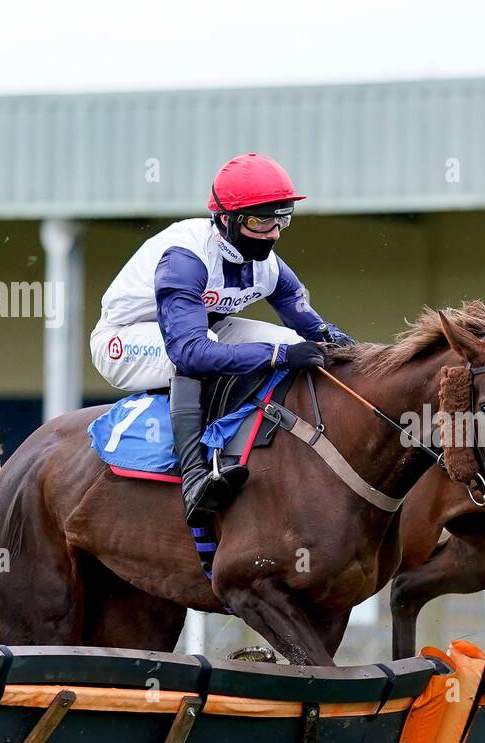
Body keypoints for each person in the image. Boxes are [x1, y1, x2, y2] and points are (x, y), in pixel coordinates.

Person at [91, 152, 352, 526]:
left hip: (197, 329)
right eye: (262, 221)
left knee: (294, 340)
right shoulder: (186, 258)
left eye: (281, 219)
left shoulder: (270, 265)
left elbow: (317, 332)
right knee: (253, 350)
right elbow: (191, 353)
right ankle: (195, 480)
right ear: (227, 220)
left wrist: (369, 358)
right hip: (123, 339)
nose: (274, 233)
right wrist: (277, 355)